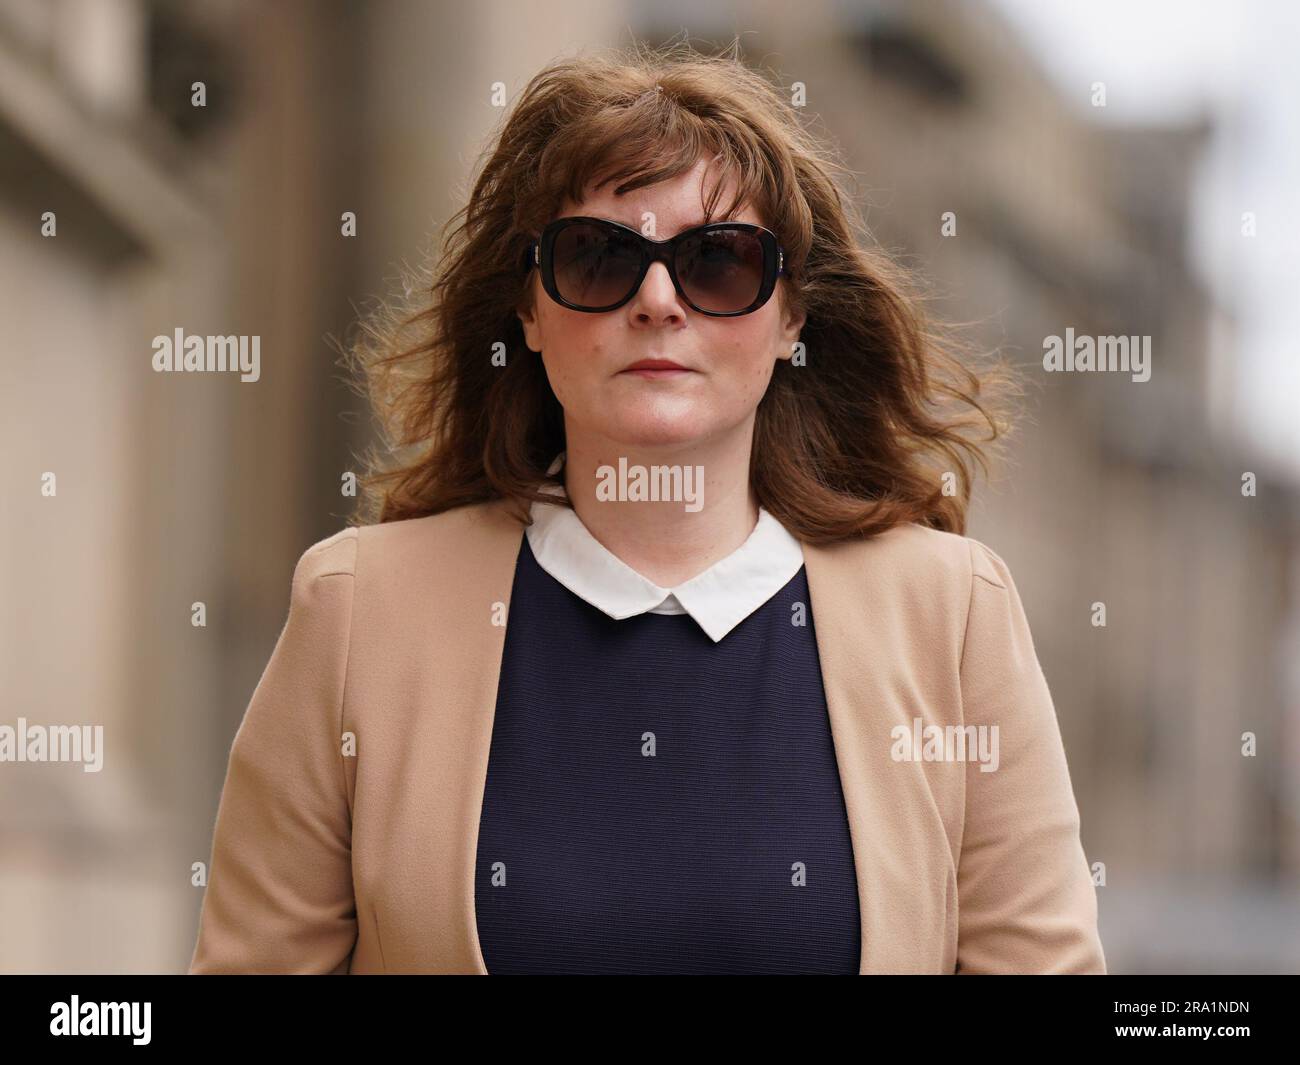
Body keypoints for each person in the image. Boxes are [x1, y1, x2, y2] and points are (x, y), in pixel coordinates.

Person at [189, 40, 1105, 975]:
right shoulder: (358, 612)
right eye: (599, 258)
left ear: (791, 317)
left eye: (719, 262)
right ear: (530, 311)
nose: (660, 300)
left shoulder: (952, 617)